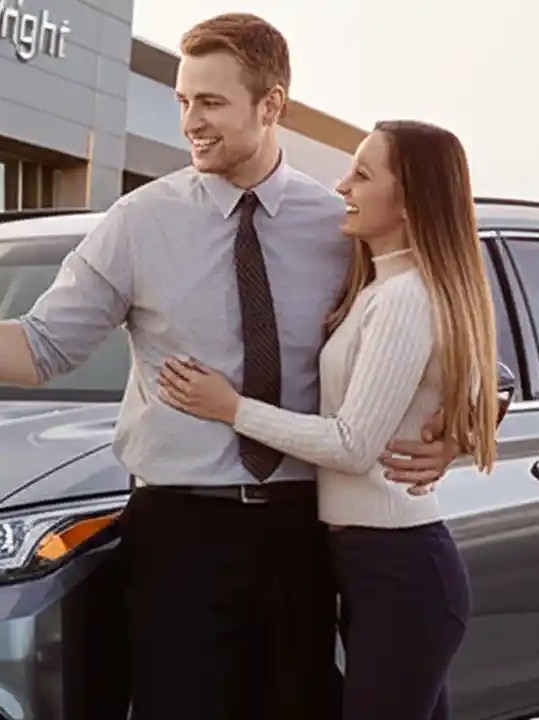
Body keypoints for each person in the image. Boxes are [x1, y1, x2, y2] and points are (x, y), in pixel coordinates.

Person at [0, 13, 461, 720]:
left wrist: (465, 421)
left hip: (302, 533)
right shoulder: (139, 222)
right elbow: (42, 348)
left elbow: (438, 323)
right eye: (183, 102)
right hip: (179, 534)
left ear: (271, 105)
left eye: (212, 103)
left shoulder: (340, 225)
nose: (191, 121)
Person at [156, 119, 496, 720]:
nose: (343, 186)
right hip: (373, 566)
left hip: (399, 570)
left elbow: (352, 444)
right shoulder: (379, 288)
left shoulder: (404, 299)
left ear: (412, 200)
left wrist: (231, 408)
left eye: (363, 174)